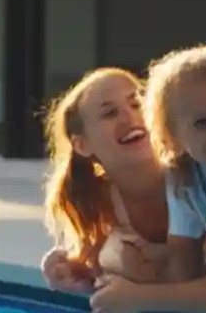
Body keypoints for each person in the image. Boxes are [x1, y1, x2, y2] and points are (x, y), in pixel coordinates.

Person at [85, 44, 206, 313]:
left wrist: (139, 298)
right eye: (202, 123)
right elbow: (183, 272)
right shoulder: (184, 179)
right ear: (172, 134)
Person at [40, 67, 169, 295]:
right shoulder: (101, 202)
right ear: (82, 145)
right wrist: (76, 274)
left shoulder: (191, 181)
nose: (130, 117)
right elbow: (92, 266)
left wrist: (141, 291)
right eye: (110, 113)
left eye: (136, 104)